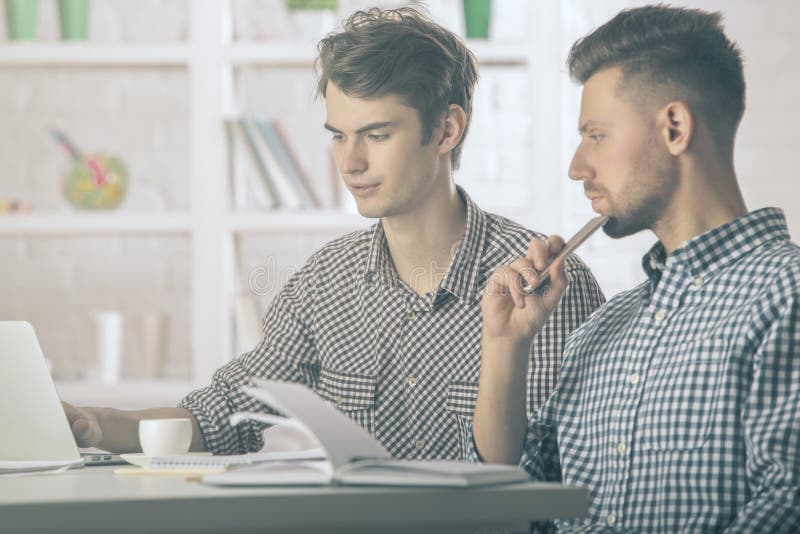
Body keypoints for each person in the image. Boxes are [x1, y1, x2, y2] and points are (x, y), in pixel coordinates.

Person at [63, 8, 604, 460]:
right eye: (339, 136)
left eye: (377, 134)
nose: (351, 162)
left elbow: (547, 471)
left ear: (446, 129)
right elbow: (221, 416)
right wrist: (94, 422)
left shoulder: (549, 285)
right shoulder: (324, 284)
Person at [473, 5, 800, 532]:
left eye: (596, 135)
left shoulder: (787, 296)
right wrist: (505, 346)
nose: (577, 167)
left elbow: (787, 505)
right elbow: (513, 509)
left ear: (674, 127)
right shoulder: (599, 331)